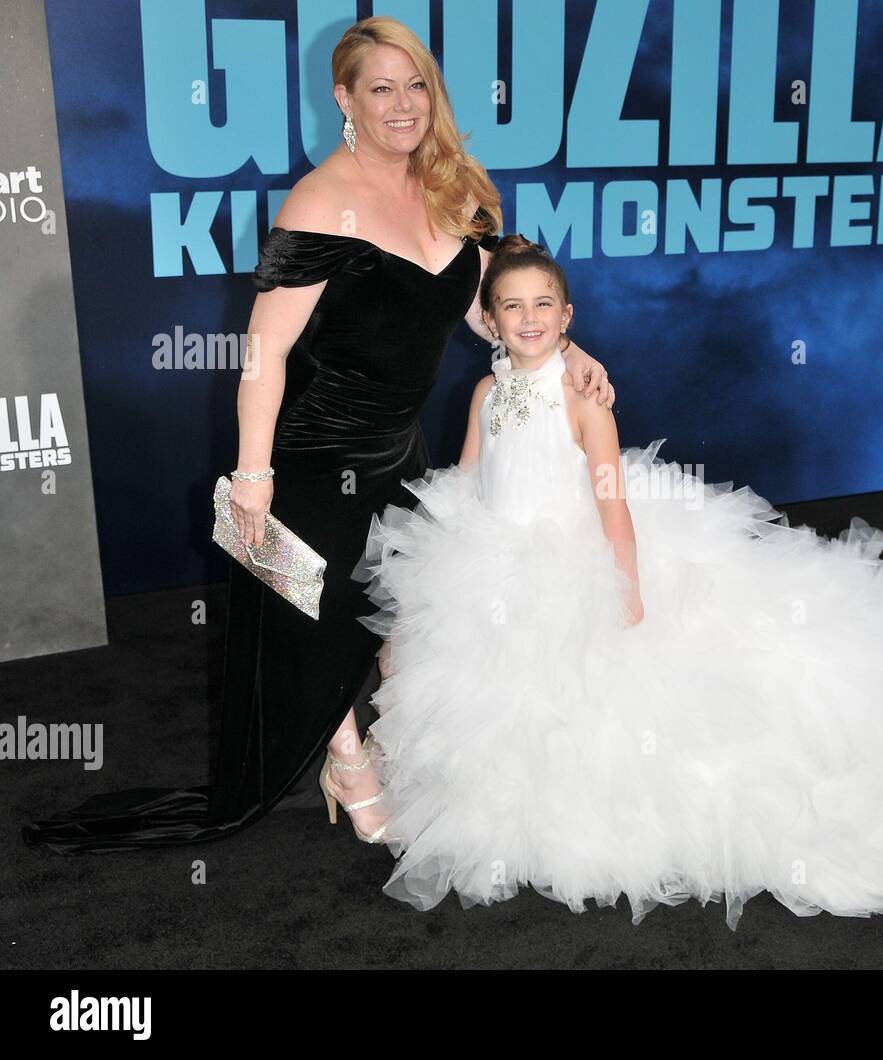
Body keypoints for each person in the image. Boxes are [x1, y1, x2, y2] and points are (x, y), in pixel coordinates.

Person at [350, 236, 883, 931]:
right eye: (512, 308)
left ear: (567, 319)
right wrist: (437, 559)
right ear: (488, 321)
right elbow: (466, 473)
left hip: (572, 557)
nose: (527, 321)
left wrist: (625, 582)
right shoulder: (490, 390)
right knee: (486, 689)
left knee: (596, 693)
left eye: (544, 307)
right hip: (493, 559)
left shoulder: (583, 401)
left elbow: (610, 497)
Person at [21, 17, 612, 854]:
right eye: (381, 88)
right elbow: (264, 352)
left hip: (397, 447)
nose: (402, 106)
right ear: (344, 97)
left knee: (393, 617)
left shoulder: (459, 189)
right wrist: (252, 476)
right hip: (312, 450)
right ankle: (347, 762)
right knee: (312, 613)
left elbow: (487, 308)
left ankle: (394, 752)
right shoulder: (318, 200)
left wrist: (571, 348)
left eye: (416, 86)